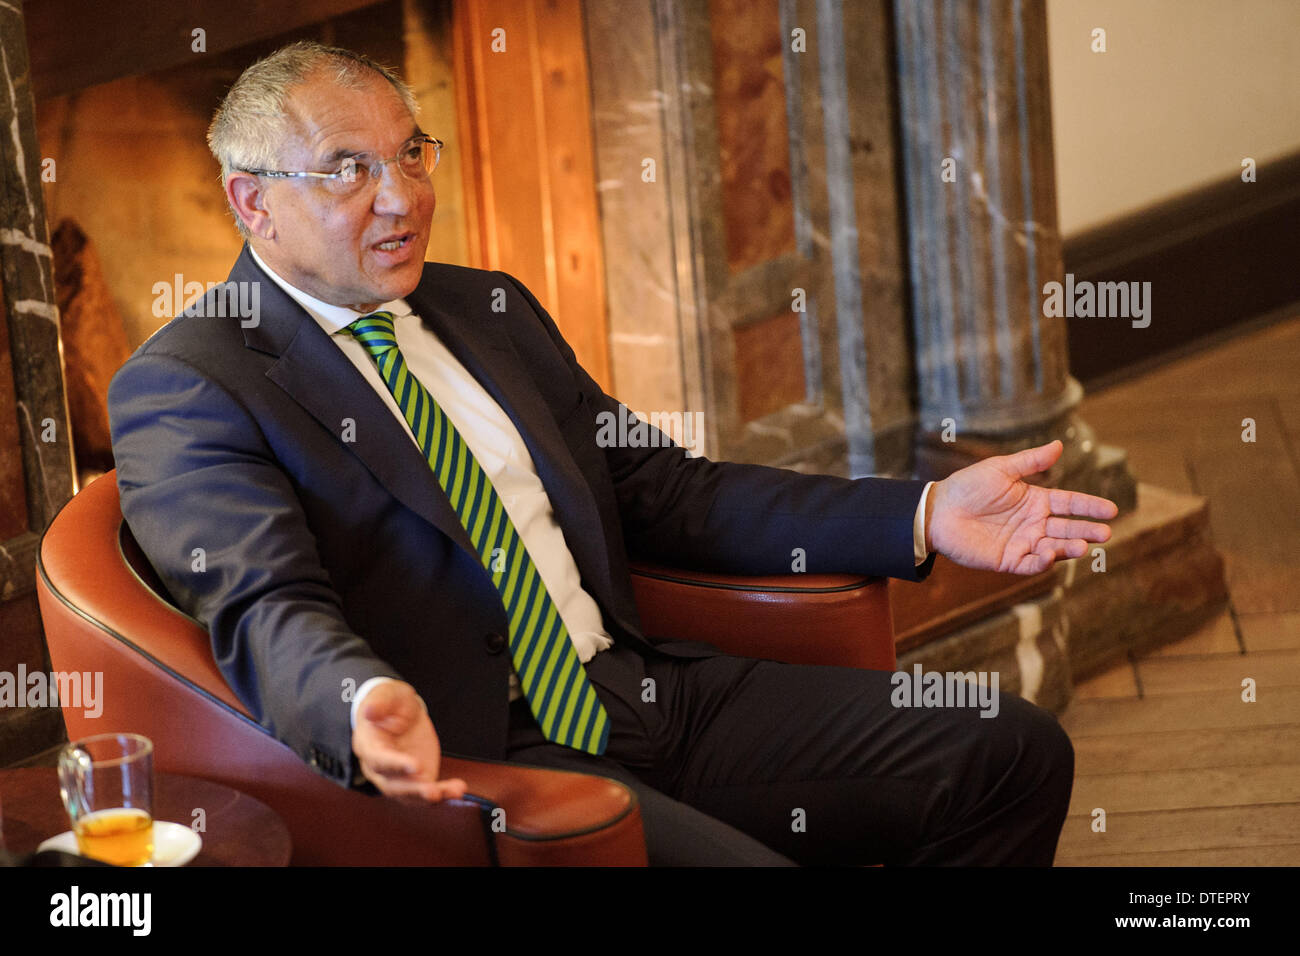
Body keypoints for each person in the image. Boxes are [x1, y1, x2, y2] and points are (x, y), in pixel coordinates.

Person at [107, 41, 1117, 865]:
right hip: (486, 756)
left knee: (1008, 752)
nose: (401, 197)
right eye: (348, 170)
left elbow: (663, 489)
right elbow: (261, 600)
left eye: (412, 154)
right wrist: (362, 700)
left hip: (644, 691)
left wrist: (922, 513)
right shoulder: (190, 383)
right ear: (251, 203)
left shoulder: (480, 305)